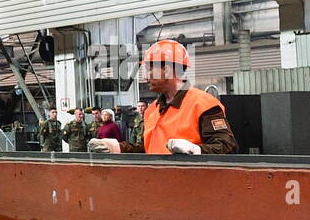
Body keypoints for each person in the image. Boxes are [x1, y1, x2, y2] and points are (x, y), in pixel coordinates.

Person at [90, 40, 237, 155]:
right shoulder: (152, 110)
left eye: (149, 69)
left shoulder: (203, 104)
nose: (145, 76)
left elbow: (227, 146)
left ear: (166, 70)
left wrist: (196, 150)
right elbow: (148, 149)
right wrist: (116, 147)